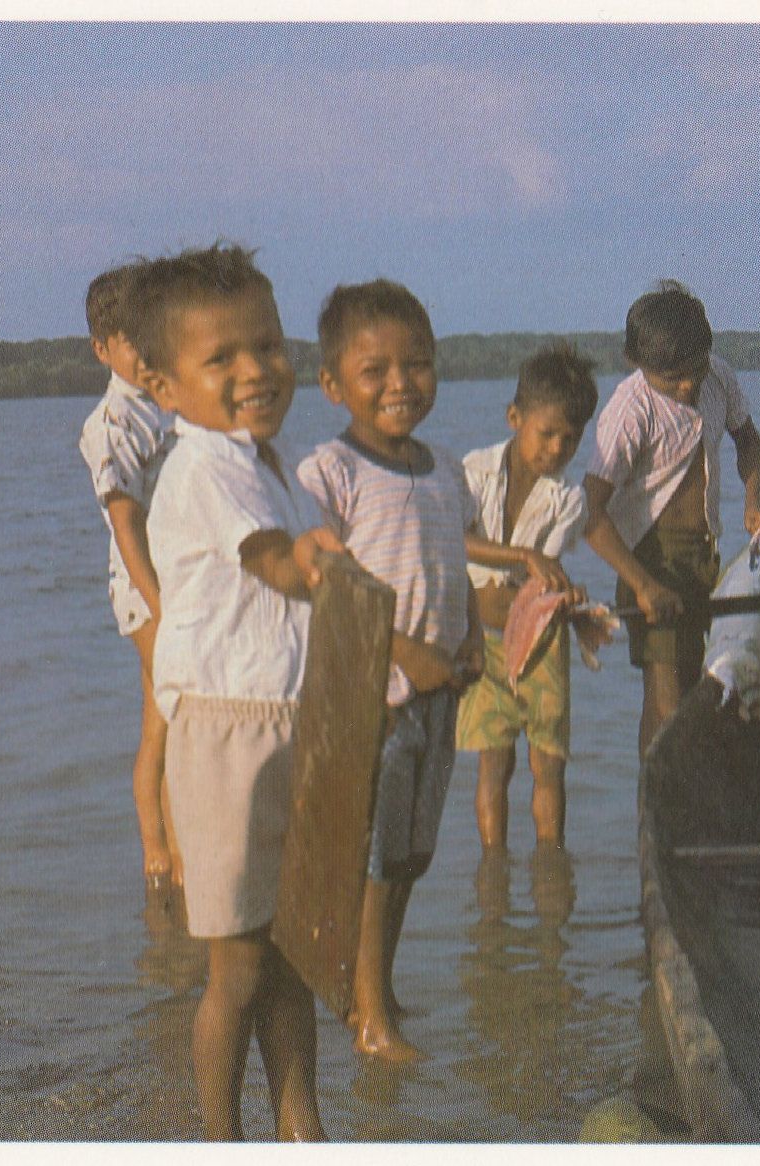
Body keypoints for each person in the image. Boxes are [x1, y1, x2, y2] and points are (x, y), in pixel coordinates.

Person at [133, 244, 336, 1141]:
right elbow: (270, 562)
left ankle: (302, 1128)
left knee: (291, 956)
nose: (254, 370)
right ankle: (221, 1141)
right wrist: (310, 562)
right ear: (163, 386)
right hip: (225, 740)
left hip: (284, 723)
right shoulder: (208, 465)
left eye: (267, 345)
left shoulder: (266, 459)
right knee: (238, 970)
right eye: (221, 359)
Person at [297, 279, 484, 1063]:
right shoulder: (328, 471)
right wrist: (405, 653)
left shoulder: (445, 469)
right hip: (376, 700)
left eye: (417, 364)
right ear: (333, 385)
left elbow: (457, 566)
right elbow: (327, 580)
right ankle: (366, 1013)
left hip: (440, 697)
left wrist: (471, 639)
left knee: (411, 856)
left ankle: (381, 988)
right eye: (374, 371)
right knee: (373, 861)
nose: (400, 384)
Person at [582, 280, 760, 758]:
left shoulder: (718, 378)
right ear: (639, 364)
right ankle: (659, 814)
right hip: (648, 562)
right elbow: (591, 516)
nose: (687, 385)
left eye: (694, 369)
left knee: (704, 691)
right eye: (671, 377)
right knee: (667, 699)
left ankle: (686, 807)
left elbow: (749, 443)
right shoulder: (630, 411)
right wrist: (644, 586)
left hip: (706, 558)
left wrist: (754, 501)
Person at [456, 343, 599, 850]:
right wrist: (522, 558)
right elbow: (455, 540)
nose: (557, 449)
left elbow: (548, 570)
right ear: (515, 417)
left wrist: (565, 592)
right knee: (494, 767)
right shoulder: (473, 471)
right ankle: (493, 868)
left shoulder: (570, 498)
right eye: (547, 433)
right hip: (484, 643)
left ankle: (550, 871)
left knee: (548, 767)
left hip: (542, 649)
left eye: (572, 438)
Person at [76, 262, 183, 918]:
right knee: (175, 722)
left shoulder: (172, 403)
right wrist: (165, 610)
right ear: (103, 350)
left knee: (160, 722)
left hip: (183, 588)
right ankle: (164, 853)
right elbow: (125, 523)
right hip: (147, 592)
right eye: (134, 340)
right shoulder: (110, 423)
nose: (149, 350)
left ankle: (163, 854)